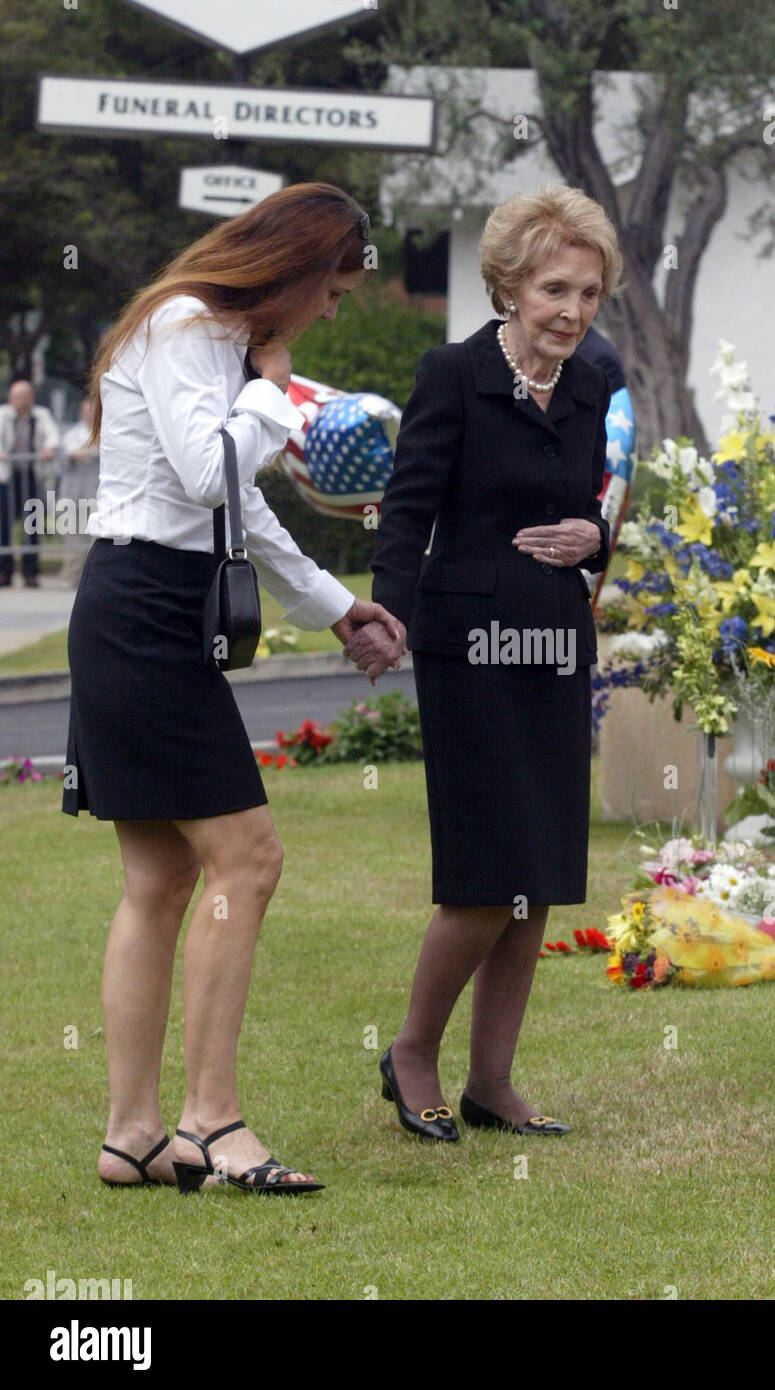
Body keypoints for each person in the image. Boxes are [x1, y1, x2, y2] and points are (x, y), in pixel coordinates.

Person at [62, 182, 405, 1193]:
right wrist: (275, 383)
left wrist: (339, 604)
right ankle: (211, 1121)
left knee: (164, 879)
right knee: (247, 861)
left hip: (149, 604)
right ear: (296, 270)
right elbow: (212, 473)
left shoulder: (211, 344)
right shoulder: (186, 328)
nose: (328, 314)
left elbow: (237, 511)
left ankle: (133, 1136)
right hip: (145, 612)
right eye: (332, 294)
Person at [357, 185, 620, 1141]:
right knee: (481, 875)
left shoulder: (592, 385)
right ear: (508, 284)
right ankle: (414, 1051)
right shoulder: (451, 374)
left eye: (589, 294)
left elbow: (597, 518)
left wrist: (594, 537)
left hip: (554, 641)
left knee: (537, 875)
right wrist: (383, 613)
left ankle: (492, 1080)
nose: (574, 312)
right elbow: (409, 507)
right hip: (466, 645)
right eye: (556, 289)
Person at [0, 380, 60, 587]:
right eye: (17, 396)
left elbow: (53, 435)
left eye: (25, 395)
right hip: (7, 476)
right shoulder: (3, 414)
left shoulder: (41, 414)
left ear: (32, 398)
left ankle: (31, 572)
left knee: (32, 524)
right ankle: (4, 572)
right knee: (3, 526)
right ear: (11, 398)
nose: (21, 400)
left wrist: (49, 449)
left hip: (31, 475)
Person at [57, 399, 101, 589]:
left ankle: (94, 581)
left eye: (92, 411)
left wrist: (86, 453)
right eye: (86, 411)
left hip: (97, 495)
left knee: (96, 542)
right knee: (74, 540)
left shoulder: (106, 432)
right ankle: (70, 578)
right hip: (72, 495)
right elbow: (64, 457)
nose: (89, 415)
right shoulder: (72, 434)